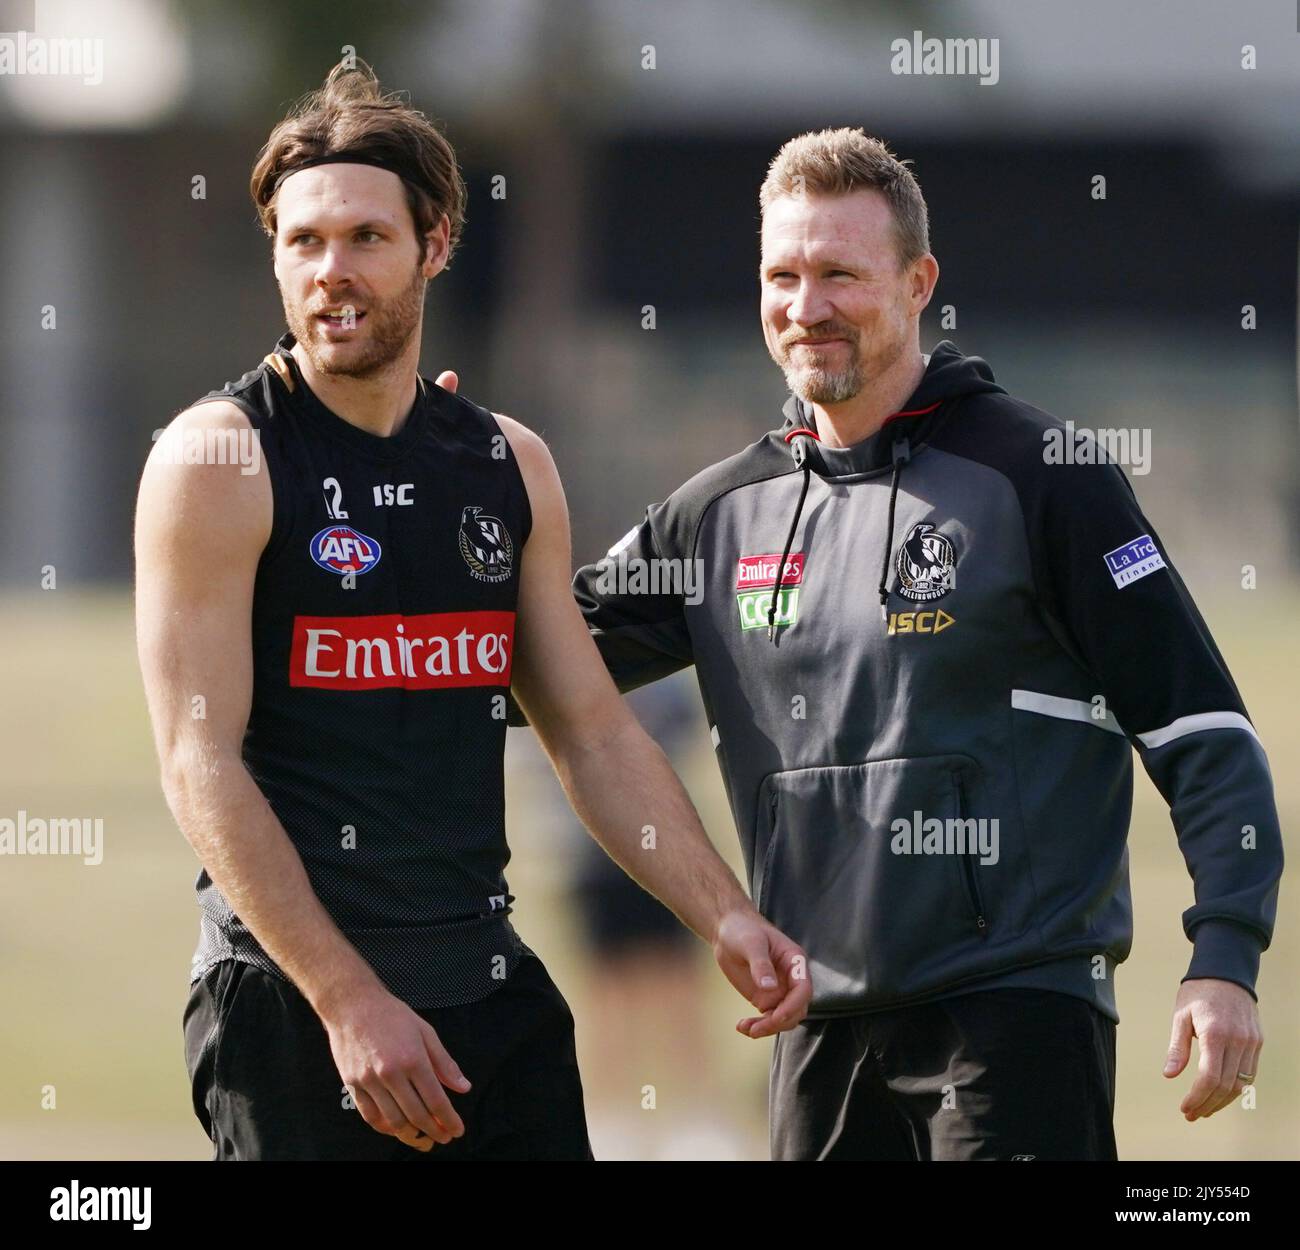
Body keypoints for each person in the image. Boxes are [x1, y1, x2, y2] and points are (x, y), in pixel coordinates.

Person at [505, 127, 1284, 1160]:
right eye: (782, 274)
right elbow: (532, 668)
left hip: (1013, 1016)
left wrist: (1223, 953)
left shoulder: (1041, 475)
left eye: (840, 273)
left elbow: (1204, 732)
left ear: (917, 282)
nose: (806, 305)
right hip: (814, 1026)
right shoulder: (719, 514)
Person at [133, 60, 809, 1163]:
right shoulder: (218, 457)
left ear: (436, 243)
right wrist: (350, 1002)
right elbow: (198, 758)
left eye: (364, 238)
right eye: (301, 243)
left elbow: (589, 728)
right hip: (295, 1006)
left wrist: (722, 911)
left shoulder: (507, 463)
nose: (329, 273)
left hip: (485, 990)